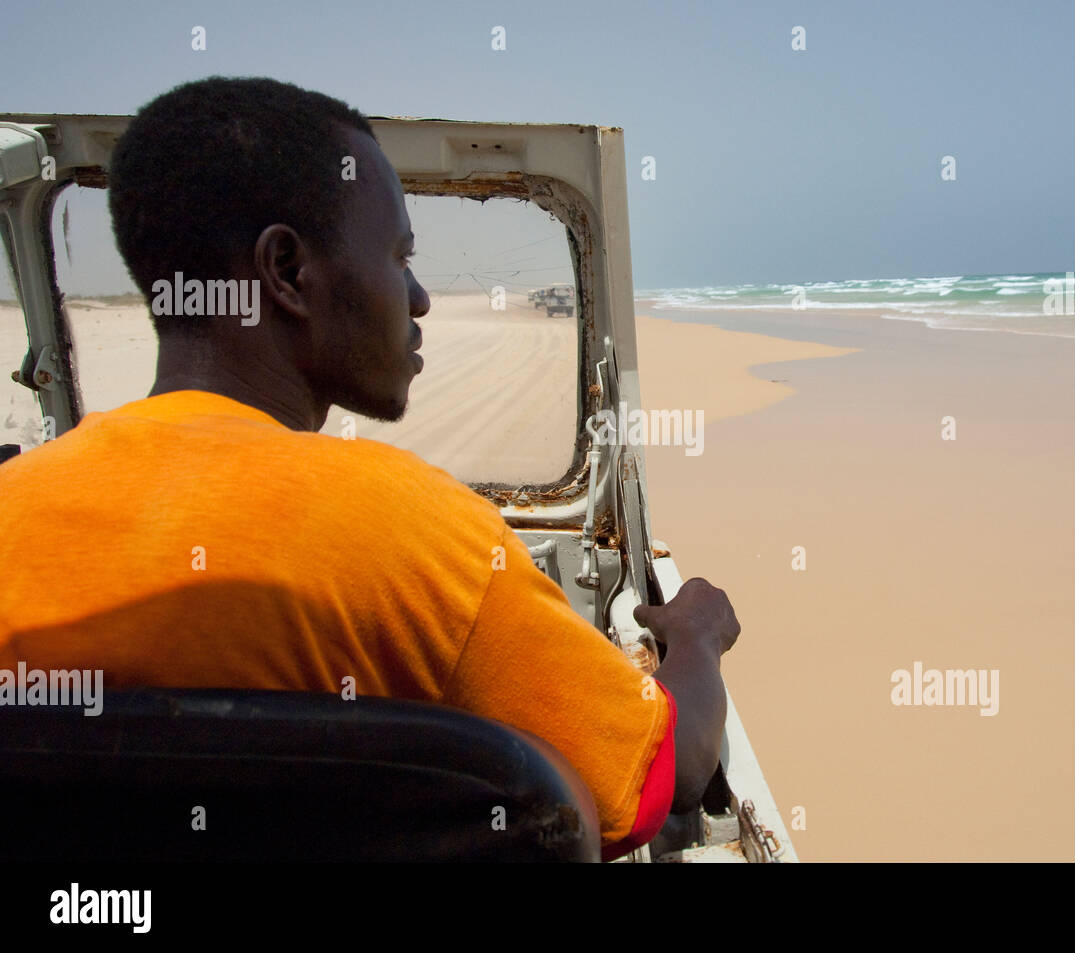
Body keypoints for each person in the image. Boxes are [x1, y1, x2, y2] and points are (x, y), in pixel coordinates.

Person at [0, 76, 740, 860]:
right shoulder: (412, 531)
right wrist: (695, 636)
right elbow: (664, 775)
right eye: (399, 257)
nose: (419, 298)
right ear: (286, 269)